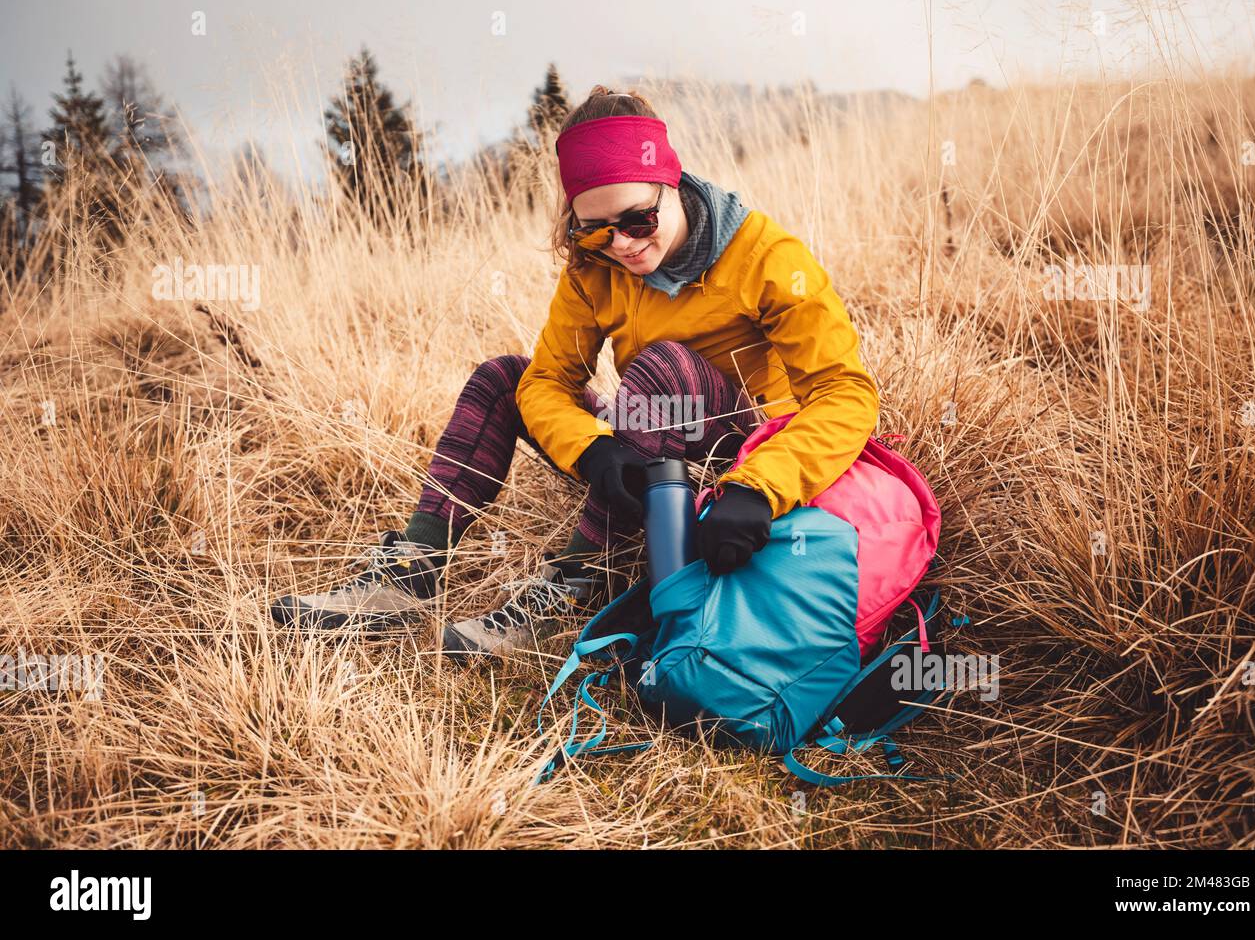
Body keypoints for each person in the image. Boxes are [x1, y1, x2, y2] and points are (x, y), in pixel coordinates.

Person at [270, 86, 880, 658]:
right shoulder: (594, 267)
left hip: (736, 469)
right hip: (641, 449)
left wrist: (759, 486)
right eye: (596, 229)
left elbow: (845, 394)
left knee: (665, 368)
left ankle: (570, 584)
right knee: (504, 377)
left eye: (639, 220)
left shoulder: (769, 258)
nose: (622, 244)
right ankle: (407, 577)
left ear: (673, 183)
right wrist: (592, 451)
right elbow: (546, 382)